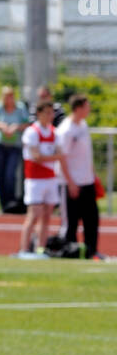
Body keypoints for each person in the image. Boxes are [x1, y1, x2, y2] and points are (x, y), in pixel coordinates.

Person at [18, 100, 77, 256]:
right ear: (39, 113)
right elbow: (37, 156)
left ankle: (40, 248)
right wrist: (54, 157)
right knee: (34, 215)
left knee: (46, 216)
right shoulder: (32, 132)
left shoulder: (54, 132)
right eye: (47, 112)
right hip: (35, 179)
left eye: (52, 113)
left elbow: (58, 154)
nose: (50, 116)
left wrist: (51, 157)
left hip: (50, 178)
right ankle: (23, 248)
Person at [57, 94, 103, 259]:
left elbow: (85, 155)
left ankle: (91, 251)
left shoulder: (82, 125)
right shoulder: (66, 129)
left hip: (87, 180)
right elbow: (62, 158)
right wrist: (70, 183)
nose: (89, 109)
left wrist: (93, 176)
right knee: (71, 221)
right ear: (78, 108)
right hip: (72, 182)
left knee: (92, 218)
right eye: (86, 106)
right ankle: (71, 251)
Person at [0, 86, 30, 212]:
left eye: (11, 96)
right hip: (0, 145)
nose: (9, 99)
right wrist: (2, 126)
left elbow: (26, 123)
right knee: (0, 176)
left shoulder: (20, 107)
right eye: (6, 96)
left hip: (15, 146)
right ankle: (3, 204)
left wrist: (15, 127)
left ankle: (10, 203)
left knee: (10, 175)